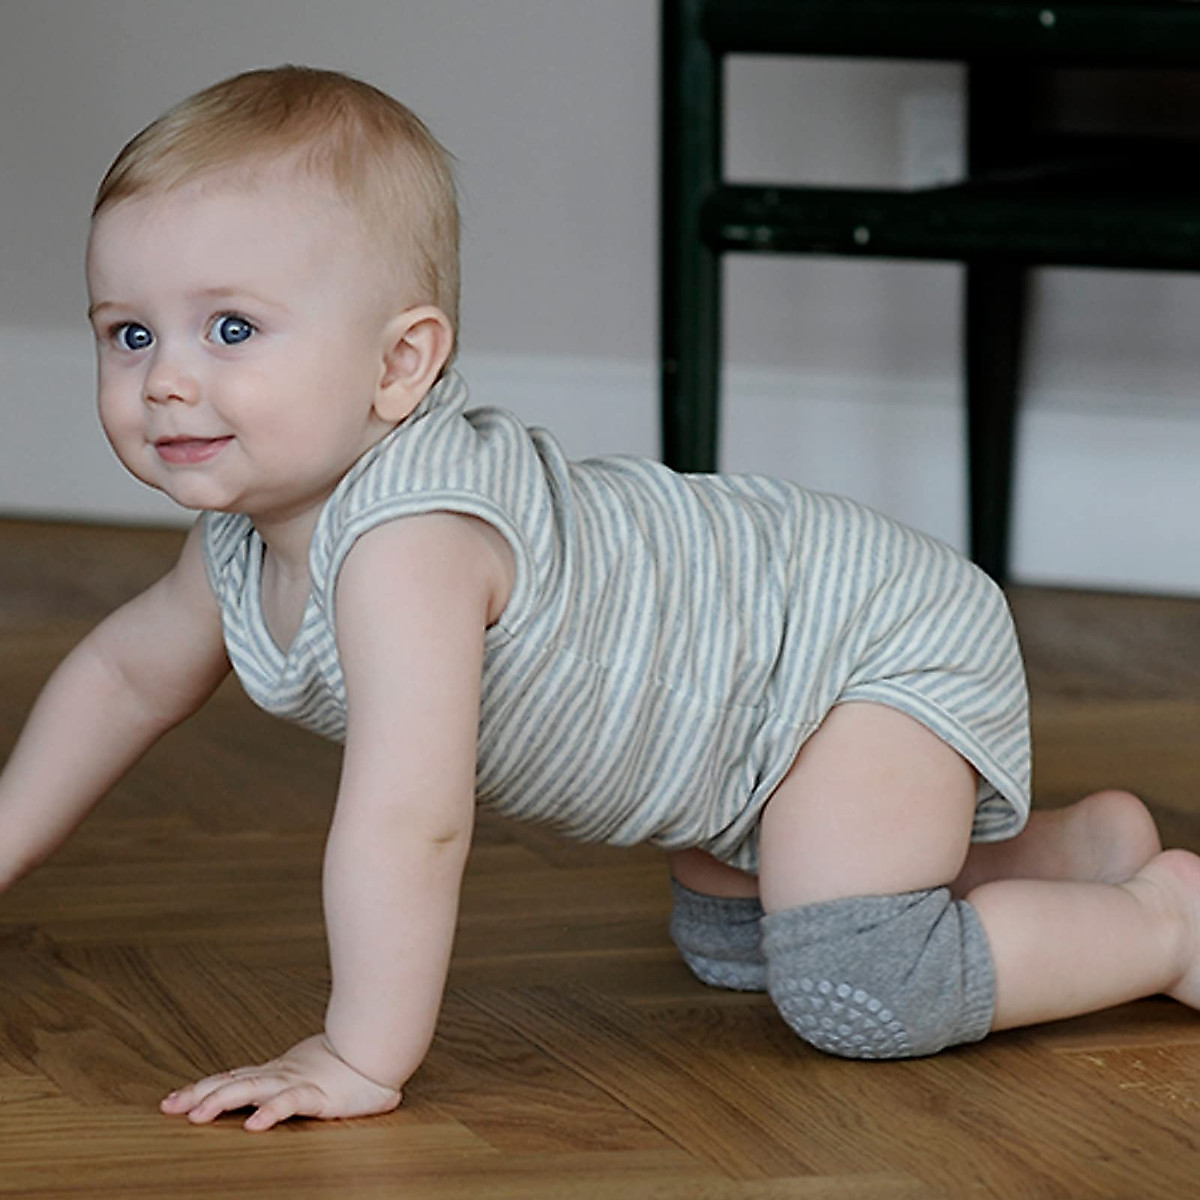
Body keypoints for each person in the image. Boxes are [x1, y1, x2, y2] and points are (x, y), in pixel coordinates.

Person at [0, 64, 1195, 1133]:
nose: (167, 381)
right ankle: (1073, 854)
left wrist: (360, 1051)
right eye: (129, 334)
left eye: (230, 328)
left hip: (851, 650)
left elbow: (411, 819)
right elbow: (122, 679)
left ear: (399, 364)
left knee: (857, 986)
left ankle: (1164, 924)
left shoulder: (411, 543)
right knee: (733, 947)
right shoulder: (240, 539)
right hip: (745, 719)